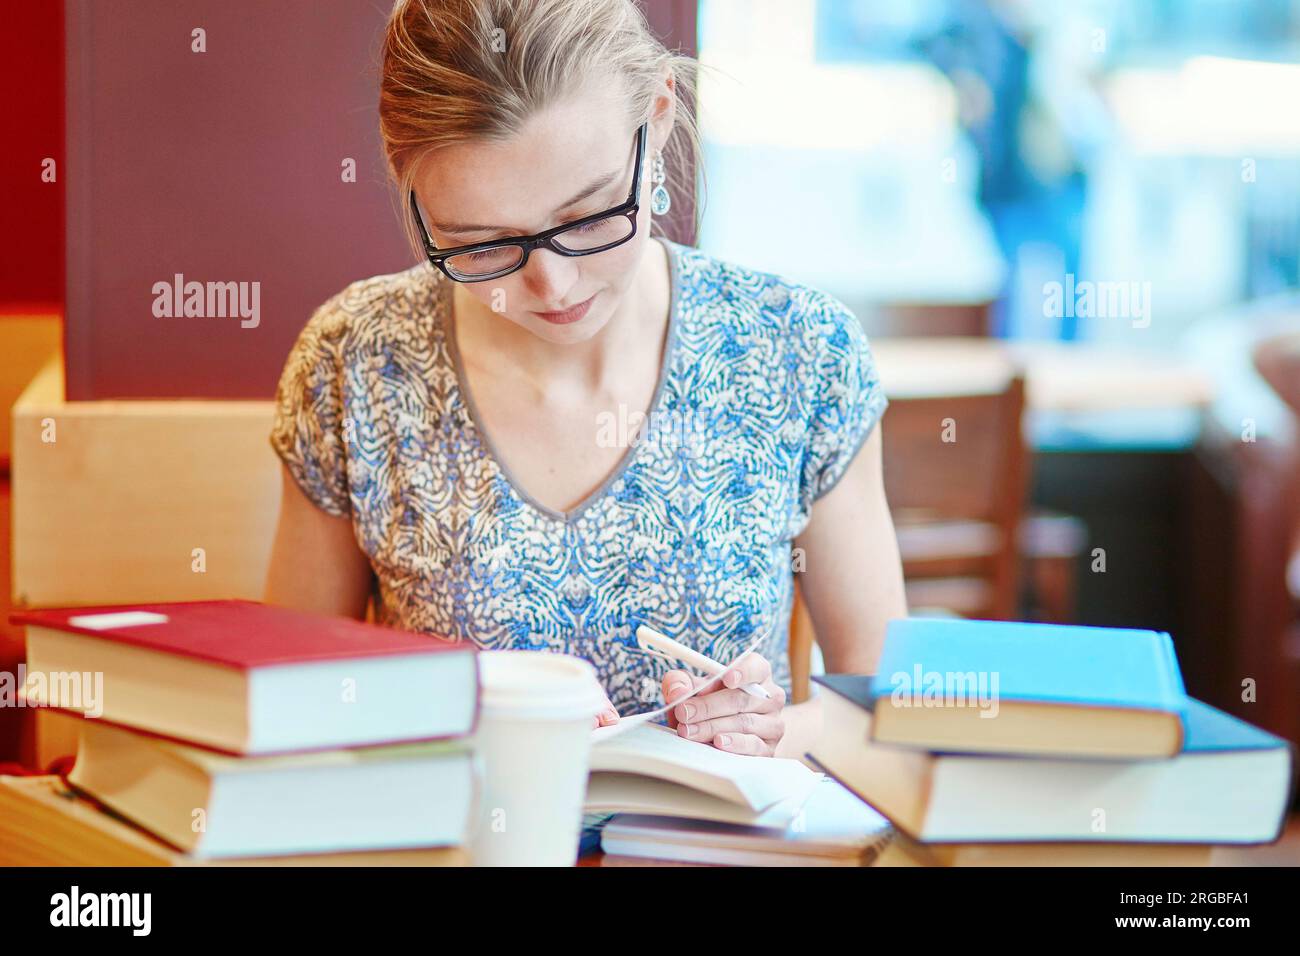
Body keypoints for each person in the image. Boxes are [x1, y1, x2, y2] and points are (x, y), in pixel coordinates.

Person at [264, 0, 907, 759]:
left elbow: (886, 705)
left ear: (660, 115)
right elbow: (288, 696)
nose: (555, 286)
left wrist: (774, 732)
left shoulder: (799, 349)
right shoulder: (357, 359)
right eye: (481, 244)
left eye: (592, 215)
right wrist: (462, 702)